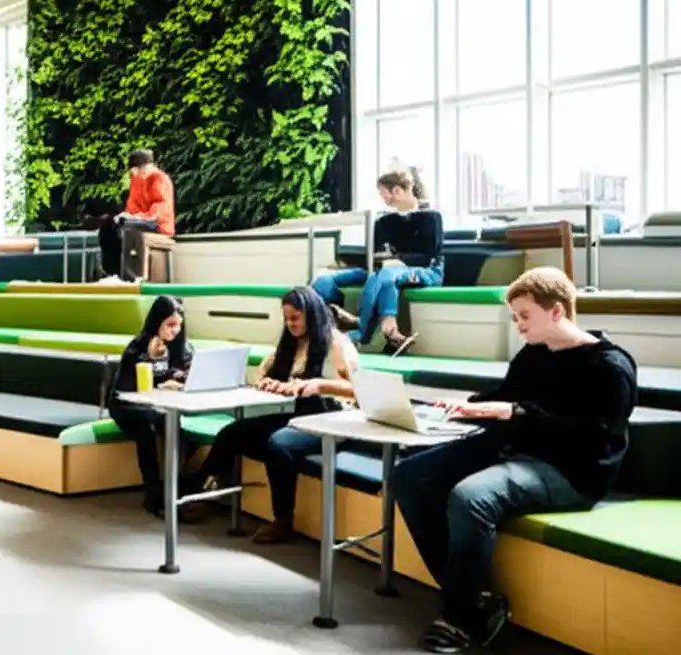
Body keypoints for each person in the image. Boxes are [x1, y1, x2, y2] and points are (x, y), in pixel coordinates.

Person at [392, 267, 637, 653]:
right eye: (515, 317)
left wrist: (517, 413)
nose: (518, 325)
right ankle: (473, 597)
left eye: (524, 316)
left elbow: (593, 437)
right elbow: (508, 394)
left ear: (556, 312)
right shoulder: (534, 353)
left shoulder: (609, 367)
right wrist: (465, 406)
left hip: (572, 470)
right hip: (516, 449)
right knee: (407, 475)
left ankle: (460, 618)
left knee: (471, 496)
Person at [186, 286, 359, 541]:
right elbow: (266, 371)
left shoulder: (336, 344)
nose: (290, 324)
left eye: (295, 318)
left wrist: (319, 385)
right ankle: (198, 490)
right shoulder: (293, 342)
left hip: (334, 420)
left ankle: (283, 520)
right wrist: (270, 383)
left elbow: (357, 390)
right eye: (287, 318)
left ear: (310, 314)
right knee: (233, 432)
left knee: (278, 444)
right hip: (303, 415)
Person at [311, 161, 443, 355]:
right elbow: (374, 252)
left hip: (426, 270)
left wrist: (398, 259)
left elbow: (429, 255)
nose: (381, 197)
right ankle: (332, 322)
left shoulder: (431, 217)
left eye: (383, 192)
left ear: (397, 190)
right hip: (384, 269)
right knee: (323, 280)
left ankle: (362, 330)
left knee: (385, 277)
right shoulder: (384, 220)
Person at [107, 296, 200, 518]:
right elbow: (126, 387)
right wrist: (146, 357)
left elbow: (186, 373)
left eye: (178, 324)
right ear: (157, 322)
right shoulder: (139, 345)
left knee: (180, 432)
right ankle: (153, 493)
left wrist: (182, 379)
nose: (175, 330)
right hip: (127, 406)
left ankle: (174, 487)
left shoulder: (182, 347)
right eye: (169, 325)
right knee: (146, 430)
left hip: (161, 406)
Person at [97, 148, 176, 283]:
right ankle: (111, 272)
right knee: (108, 229)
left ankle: (130, 276)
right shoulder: (137, 180)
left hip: (158, 223)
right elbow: (132, 205)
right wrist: (126, 215)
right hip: (140, 219)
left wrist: (137, 217)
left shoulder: (159, 179)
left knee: (127, 229)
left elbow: (159, 208)